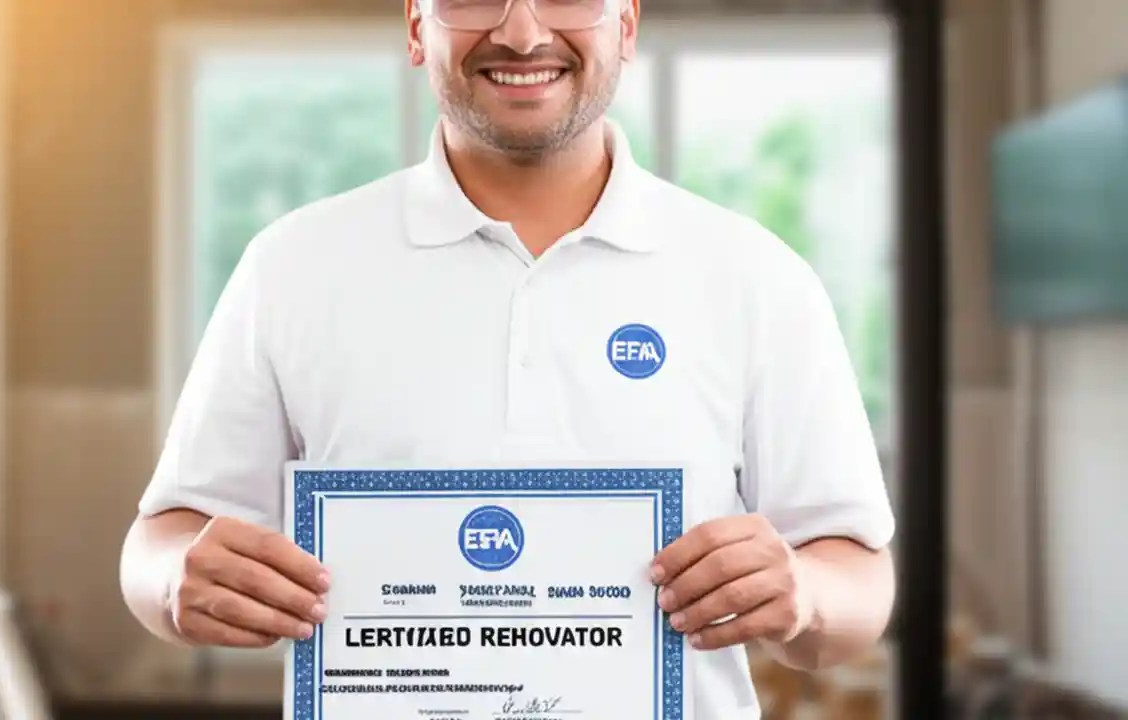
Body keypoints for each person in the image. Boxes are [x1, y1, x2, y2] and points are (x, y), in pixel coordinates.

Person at [120, 0, 897, 715]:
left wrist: (803, 592)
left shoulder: (756, 276)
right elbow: (161, 539)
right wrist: (173, 581)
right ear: (417, 28)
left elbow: (859, 578)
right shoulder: (292, 264)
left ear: (625, 24)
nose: (522, 31)